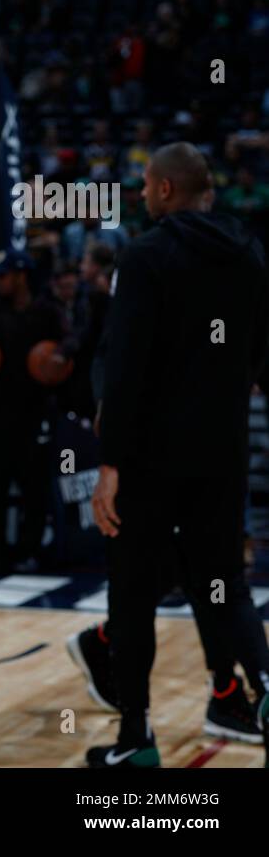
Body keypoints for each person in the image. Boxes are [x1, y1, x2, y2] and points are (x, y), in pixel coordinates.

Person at [86, 143, 269, 767]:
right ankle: (257, 689)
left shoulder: (145, 256)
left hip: (148, 455)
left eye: (143, 184)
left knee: (132, 595)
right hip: (222, 449)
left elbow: (127, 367)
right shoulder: (249, 252)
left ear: (165, 190)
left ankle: (136, 739)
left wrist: (108, 466)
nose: (139, 194)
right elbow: (257, 354)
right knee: (224, 583)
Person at [0, 250, 68, 572]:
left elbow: (74, 339)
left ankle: (30, 551)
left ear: (21, 275)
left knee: (34, 488)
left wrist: (61, 355)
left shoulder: (48, 311)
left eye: (3, 275)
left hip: (34, 413)